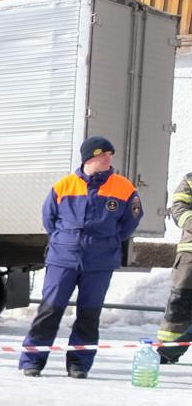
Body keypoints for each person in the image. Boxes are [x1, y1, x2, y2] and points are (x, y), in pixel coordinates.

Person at [19, 136, 144, 378]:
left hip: (99, 261)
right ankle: (32, 360)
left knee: (89, 314)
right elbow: (49, 219)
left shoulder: (124, 187)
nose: (108, 158)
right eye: (102, 155)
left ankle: (79, 363)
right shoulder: (64, 186)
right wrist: (63, 240)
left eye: (110, 154)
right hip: (63, 258)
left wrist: (107, 240)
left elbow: (130, 221)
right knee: (50, 310)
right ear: (89, 158)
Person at [155, 171, 192, 364]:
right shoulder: (190, 179)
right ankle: (166, 352)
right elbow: (178, 208)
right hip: (190, 256)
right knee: (180, 303)